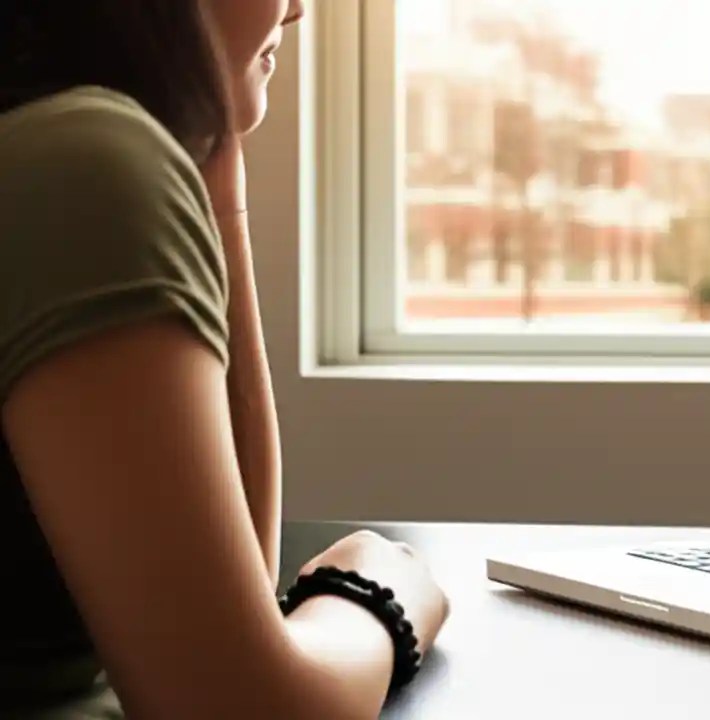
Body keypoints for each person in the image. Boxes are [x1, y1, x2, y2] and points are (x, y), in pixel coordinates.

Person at [0, 1, 450, 717]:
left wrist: (211, 160)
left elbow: (230, 603)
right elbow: (243, 707)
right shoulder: (80, 168)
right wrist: (375, 594)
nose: (300, 8)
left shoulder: (53, 147)